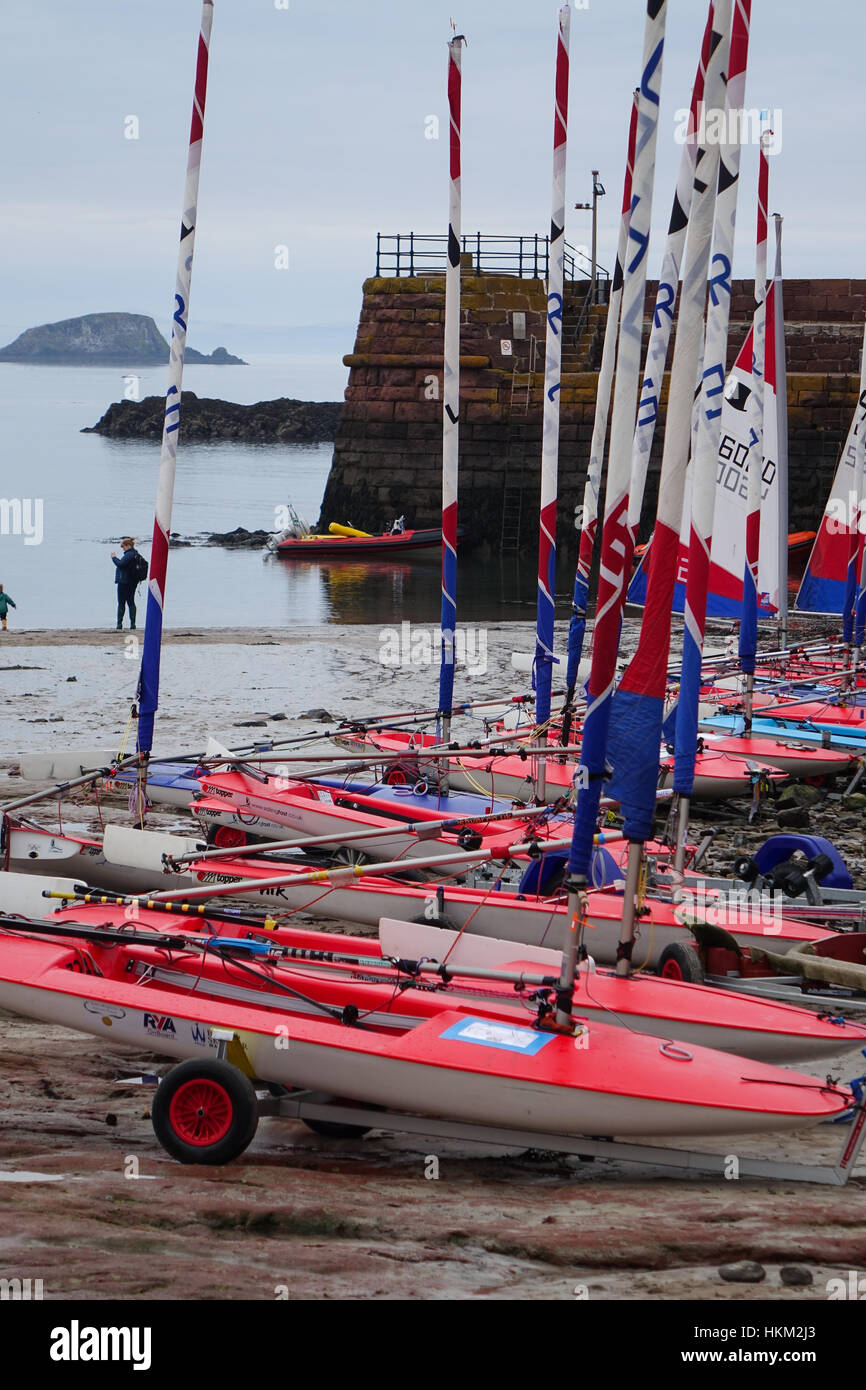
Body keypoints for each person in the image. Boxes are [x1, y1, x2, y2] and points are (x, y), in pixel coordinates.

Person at [111, 536, 140, 631]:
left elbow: (120, 564)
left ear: (128, 546)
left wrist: (114, 558)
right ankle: (133, 624)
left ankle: (119, 625)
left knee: (121, 602)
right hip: (133, 582)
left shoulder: (129, 555)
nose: (122, 548)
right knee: (131, 602)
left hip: (124, 582)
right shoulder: (136, 554)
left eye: (123, 546)